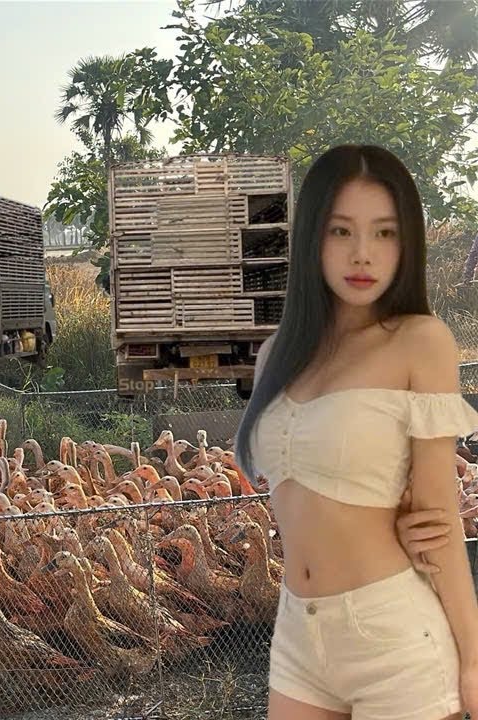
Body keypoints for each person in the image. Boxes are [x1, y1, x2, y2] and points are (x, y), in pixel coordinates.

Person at [234, 144, 478, 720]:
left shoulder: (420, 341)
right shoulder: (276, 355)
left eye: (385, 233)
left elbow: (438, 520)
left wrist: (472, 661)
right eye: (342, 231)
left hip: (393, 635)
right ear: (313, 237)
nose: (363, 253)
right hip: (299, 635)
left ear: (406, 243)